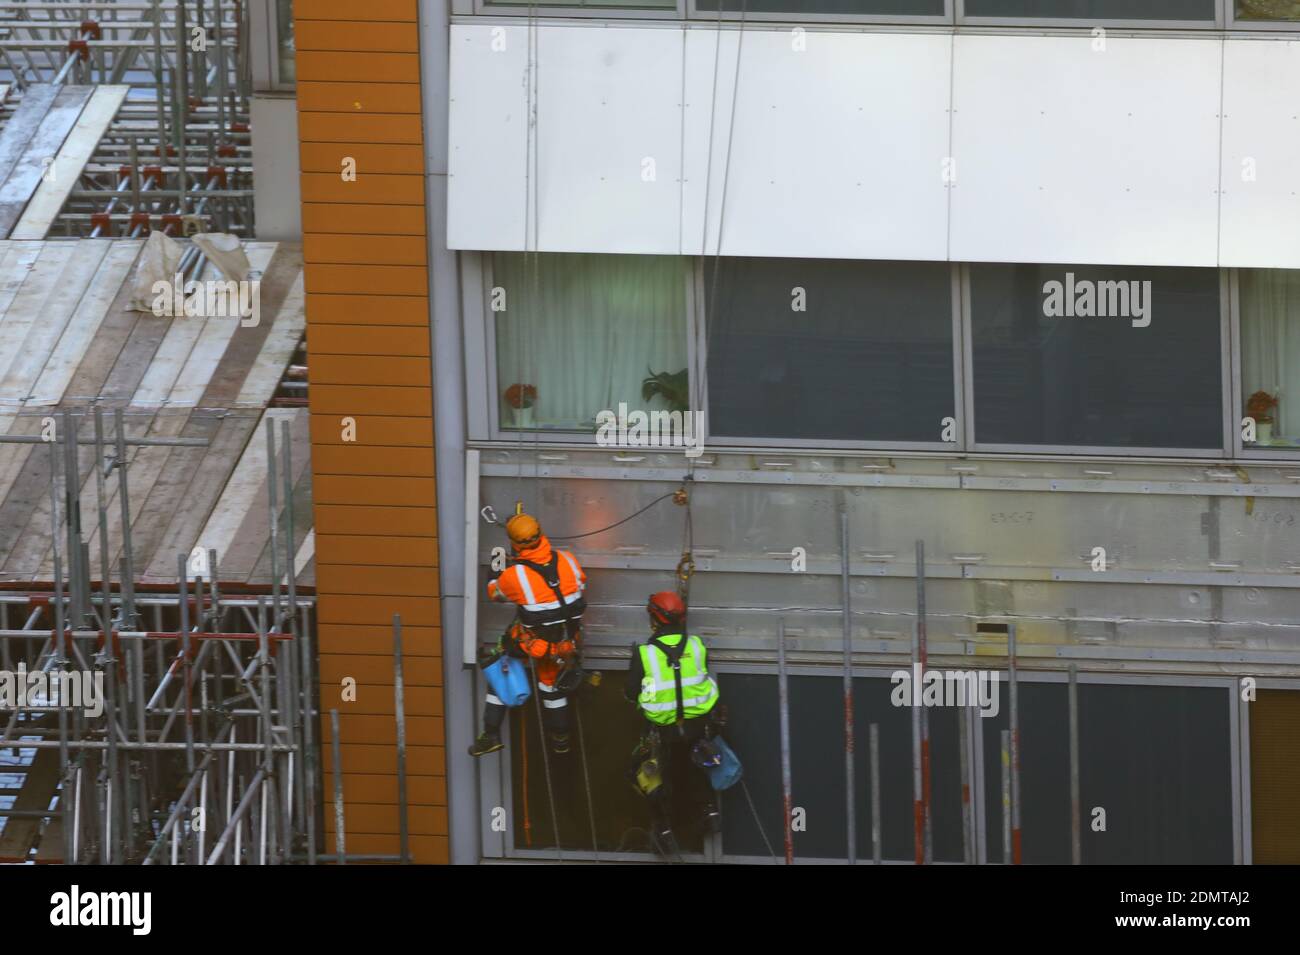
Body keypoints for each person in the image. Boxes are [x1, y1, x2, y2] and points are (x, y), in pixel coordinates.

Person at [469, 512, 587, 757]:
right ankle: (560, 739)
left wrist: (496, 567)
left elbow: (495, 593)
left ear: (515, 543)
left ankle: (490, 734)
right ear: (540, 533)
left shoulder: (516, 576)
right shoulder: (569, 559)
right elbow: (579, 585)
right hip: (566, 644)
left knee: (503, 669)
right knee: (551, 688)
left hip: (533, 644)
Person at [625, 591, 723, 851]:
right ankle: (709, 812)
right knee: (694, 770)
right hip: (696, 727)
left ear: (654, 620)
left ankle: (663, 830)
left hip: (663, 730)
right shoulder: (696, 646)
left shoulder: (645, 654)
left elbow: (629, 692)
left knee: (650, 776)